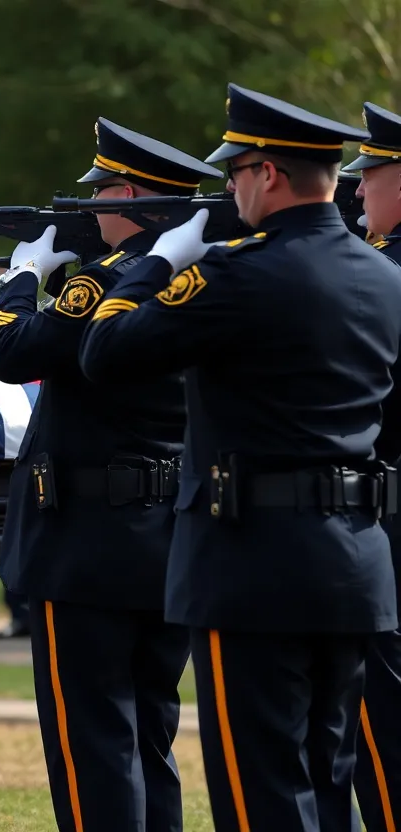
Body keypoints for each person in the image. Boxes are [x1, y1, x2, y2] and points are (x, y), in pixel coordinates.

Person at [79, 84, 400, 832]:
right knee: (331, 779)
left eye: (236, 171)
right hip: (355, 560)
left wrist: (155, 264)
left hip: (252, 565)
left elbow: (103, 351)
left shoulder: (236, 275)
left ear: (267, 175)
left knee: (262, 793)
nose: (228, 185)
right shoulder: (385, 278)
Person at [0, 119, 222, 831]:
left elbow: (11, 351)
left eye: (100, 193)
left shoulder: (106, 286)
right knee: (151, 729)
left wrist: (24, 274)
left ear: (123, 194)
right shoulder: (203, 281)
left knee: (92, 739)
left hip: (86, 545)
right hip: (169, 537)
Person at [343, 101, 401, 832]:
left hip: (384, 513)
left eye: (373, 175)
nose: (359, 191)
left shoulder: (380, 275)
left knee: (380, 711)